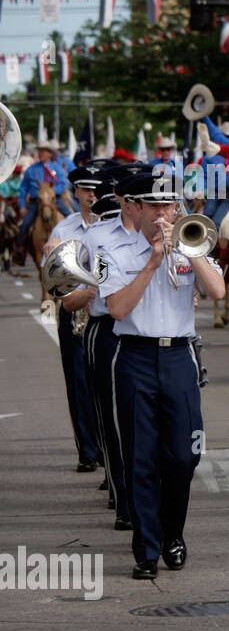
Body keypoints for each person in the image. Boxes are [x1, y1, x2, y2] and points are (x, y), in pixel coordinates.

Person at [99, 171, 226, 579]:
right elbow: (117, 308)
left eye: (169, 205)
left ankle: (174, 532)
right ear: (134, 207)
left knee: (183, 456)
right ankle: (146, 549)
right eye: (153, 205)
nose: (162, 213)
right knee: (140, 459)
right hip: (134, 356)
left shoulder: (193, 238)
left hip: (178, 358)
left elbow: (218, 292)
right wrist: (153, 261)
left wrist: (189, 252)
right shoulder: (114, 247)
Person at [80, 166, 144, 531]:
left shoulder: (173, 232)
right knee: (115, 421)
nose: (146, 206)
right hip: (109, 328)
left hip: (155, 333)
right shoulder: (98, 235)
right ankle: (124, 499)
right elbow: (78, 287)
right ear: (123, 199)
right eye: (137, 199)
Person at [42, 163, 104, 473]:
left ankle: (108, 447)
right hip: (75, 310)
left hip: (108, 310)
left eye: (96, 188)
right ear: (76, 192)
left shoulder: (112, 223)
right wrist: (51, 254)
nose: (92, 193)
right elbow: (50, 278)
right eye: (86, 189)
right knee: (78, 381)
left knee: (106, 382)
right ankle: (88, 450)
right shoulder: (62, 229)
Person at [18, 141, 71, 242]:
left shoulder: (57, 168)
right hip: (35, 202)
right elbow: (23, 189)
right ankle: (20, 249)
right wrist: (22, 206)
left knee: (70, 218)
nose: (40, 153)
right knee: (25, 224)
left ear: (50, 154)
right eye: (39, 151)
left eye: (44, 151)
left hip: (54, 200)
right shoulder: (31, 169)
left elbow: (62, 184)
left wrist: (51, 193)